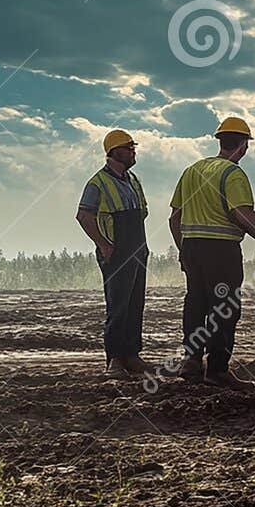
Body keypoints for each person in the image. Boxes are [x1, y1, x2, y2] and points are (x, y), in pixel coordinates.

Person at [168, 116, 255, 389]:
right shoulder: (232, 173)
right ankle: (217, 370)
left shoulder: (192, 170)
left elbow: (174, 219)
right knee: (224, 308)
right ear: (244, 145)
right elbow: (241, 213)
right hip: (221, 252)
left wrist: (183, 251)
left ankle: (191, 362)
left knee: (196, 305)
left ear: (220, 141)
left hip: (191, 248)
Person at [75, 129, 153, 378]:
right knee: (117, 306)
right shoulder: (97, 183)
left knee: (135, 304)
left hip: (138, 247)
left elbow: (143, 212)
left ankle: (132, 355)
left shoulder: (134, 180)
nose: (133, 152)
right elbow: (84, 216)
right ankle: (115, 360)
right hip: (116, 251)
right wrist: (104, 245)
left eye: (133, 148)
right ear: (115, 151)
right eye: (129, 148)